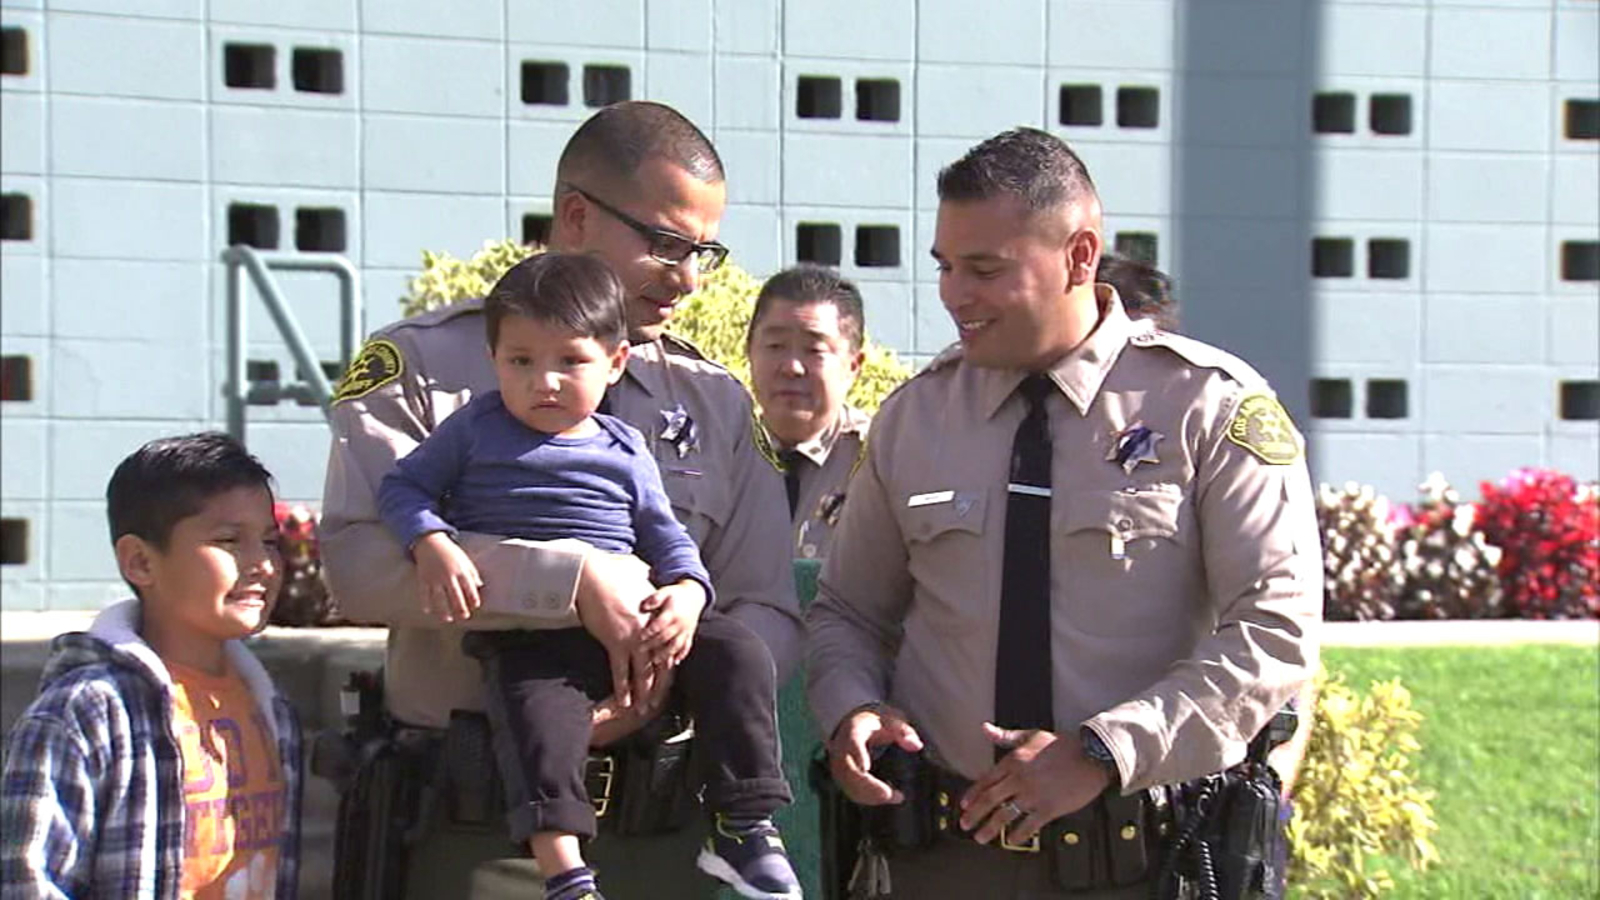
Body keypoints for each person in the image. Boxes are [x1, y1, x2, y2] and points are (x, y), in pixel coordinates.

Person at [806, 128, 1321, 898]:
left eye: (985, 269)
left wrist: (1101, 751)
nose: (954, 295)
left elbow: (1274, 633)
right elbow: (847, 611)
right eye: (946, 267)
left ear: (1080, 256)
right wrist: (854, 707)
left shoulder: (1207, 407)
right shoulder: (916, 419)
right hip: (941, 861)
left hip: (1141, 859)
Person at [319, 100, 800, 897]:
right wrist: (565, 581)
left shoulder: (713, 401)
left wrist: (658, 676)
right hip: (485, 833)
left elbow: (767, 607)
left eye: (702, 252)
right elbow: (360, 564)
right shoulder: (428, 367)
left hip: (666, 834)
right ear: (575, 216)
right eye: (665, 244)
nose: (686, 278)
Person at [1, 432, 303, 899]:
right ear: (140, 561)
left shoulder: (270, 707)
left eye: (268, 540)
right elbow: (28, 881)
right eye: (229, 540)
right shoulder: (86, 713)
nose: (262, 563)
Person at [746, 264, 870, 561]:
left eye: (814, 350)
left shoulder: (879, 459)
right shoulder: (719, 451)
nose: (791, 367)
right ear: (749, 351)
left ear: (854, 365)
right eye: (775, 346)